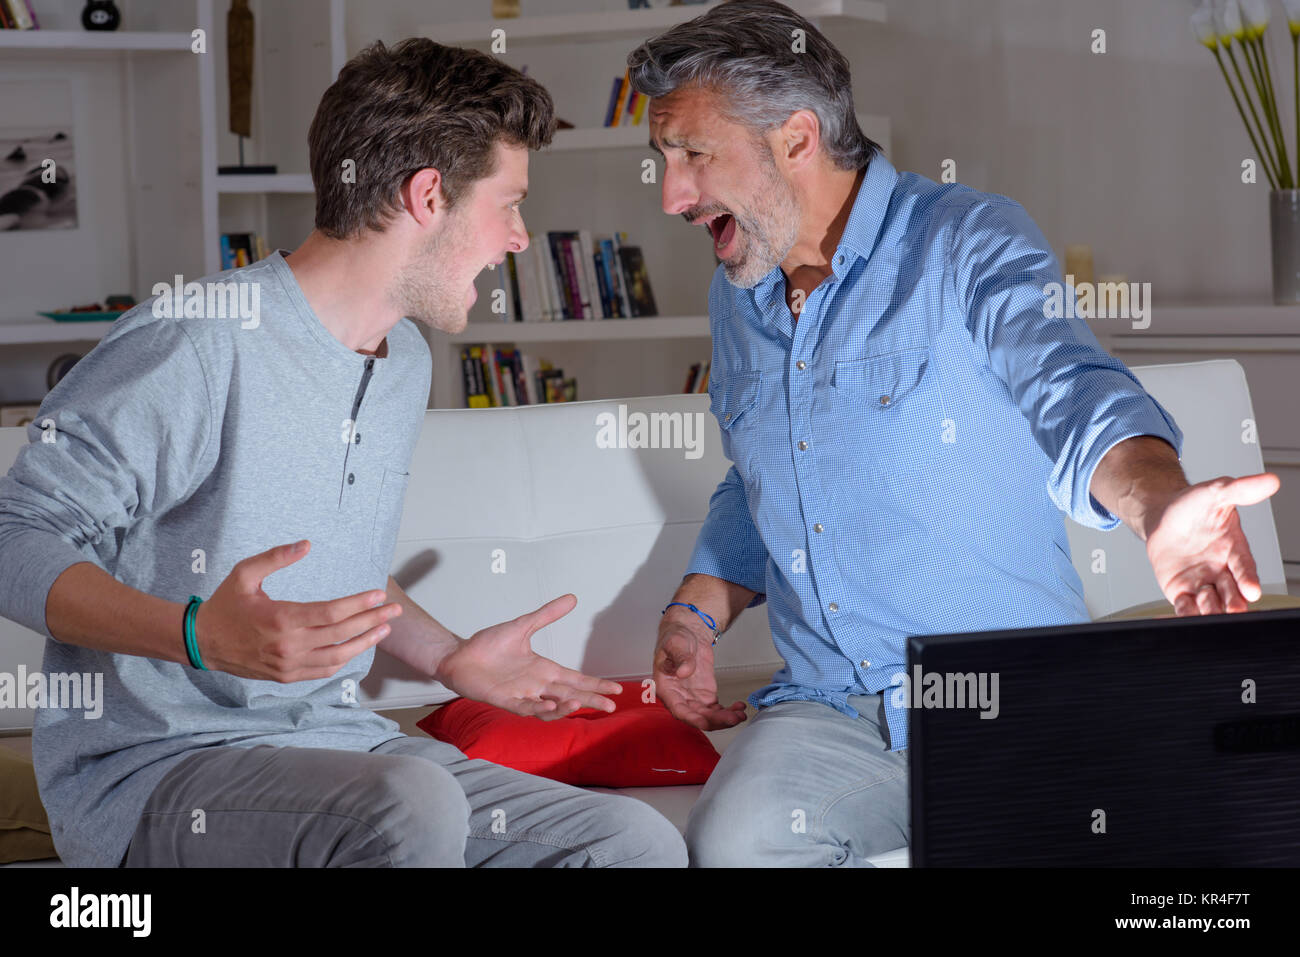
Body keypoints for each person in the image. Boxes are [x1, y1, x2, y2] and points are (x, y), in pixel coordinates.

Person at [0, 38, 686, 869]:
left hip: (340, 748)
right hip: (157, 770)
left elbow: (333, 559)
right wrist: (197, 634)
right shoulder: (200, 343)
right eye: (509, 203)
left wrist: (448, 657)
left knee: (632, 842)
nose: (517, 237)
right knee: (412, 804)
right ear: (428, 196)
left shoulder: (403, 361)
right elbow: (16, 537)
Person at [630, 0, 1281, 867]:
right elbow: (766, 473)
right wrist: (694, 614)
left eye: (693, 155)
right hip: (832, 709)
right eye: (663, 160)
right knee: (735, 841)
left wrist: (1157, 502)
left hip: (1012, 694)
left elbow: (1073, 387)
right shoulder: (737, 293)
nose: (672, 196)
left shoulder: (965, 239)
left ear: (795, 138)